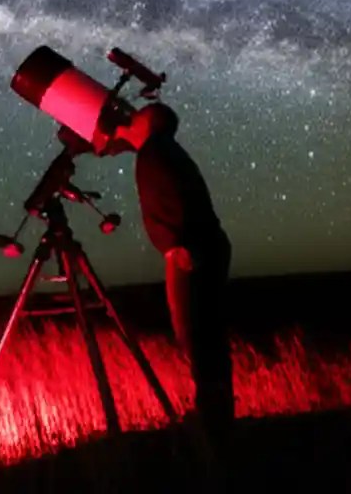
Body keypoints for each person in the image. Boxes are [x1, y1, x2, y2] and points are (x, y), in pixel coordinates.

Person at [101, 100, 235, 465]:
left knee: (196, 334)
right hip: (202, 245)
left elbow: (169, 200)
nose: (132, 114)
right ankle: (217, 416)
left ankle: (213, 424)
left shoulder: (155, 151)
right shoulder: (163, 149)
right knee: (207, 335)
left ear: (151, 122)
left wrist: (175, 245)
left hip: (188, 251)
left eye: (139, 113)